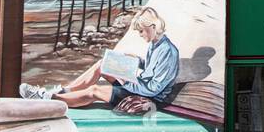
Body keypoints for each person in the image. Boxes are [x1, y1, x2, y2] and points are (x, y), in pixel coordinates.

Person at [19, 7, 179, 113]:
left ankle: (51, 100)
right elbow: (154, 68)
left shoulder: (167, 51)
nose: (140, 35)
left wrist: (126, 81)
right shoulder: (156, 44)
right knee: (103, 65)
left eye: (141, 31)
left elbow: (153, 89)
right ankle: (63, 91)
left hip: (147, 98)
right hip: (141, 87)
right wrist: (138, 61)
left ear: (152, 27)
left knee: (94, 91)